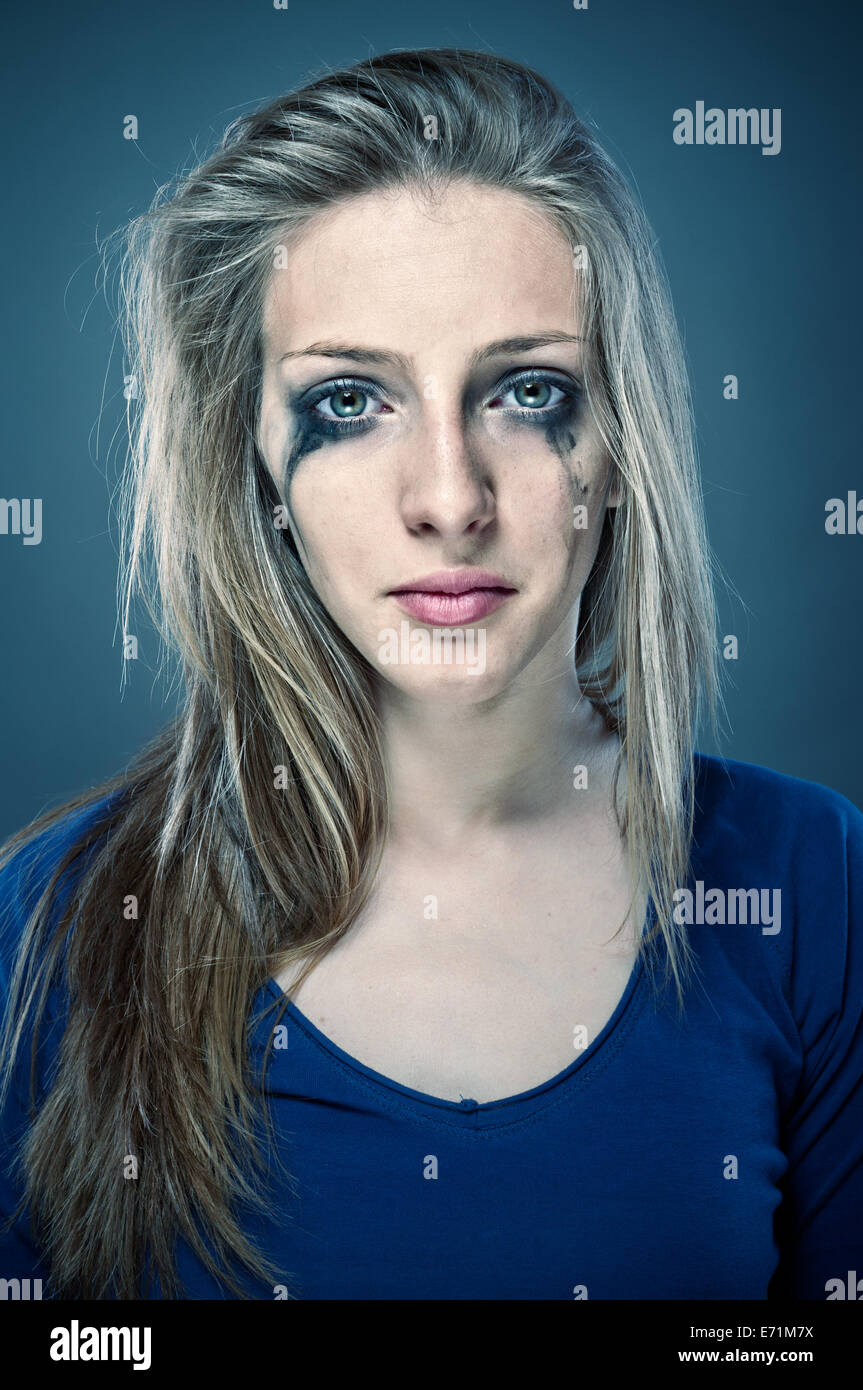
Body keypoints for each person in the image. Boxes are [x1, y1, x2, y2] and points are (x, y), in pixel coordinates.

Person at [1, 47, 861, 1302]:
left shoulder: (807, 883)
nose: (449, 499)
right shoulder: (50, 928)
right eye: (350, 402)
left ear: (617, 446)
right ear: (255, 467)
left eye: (525, 392)